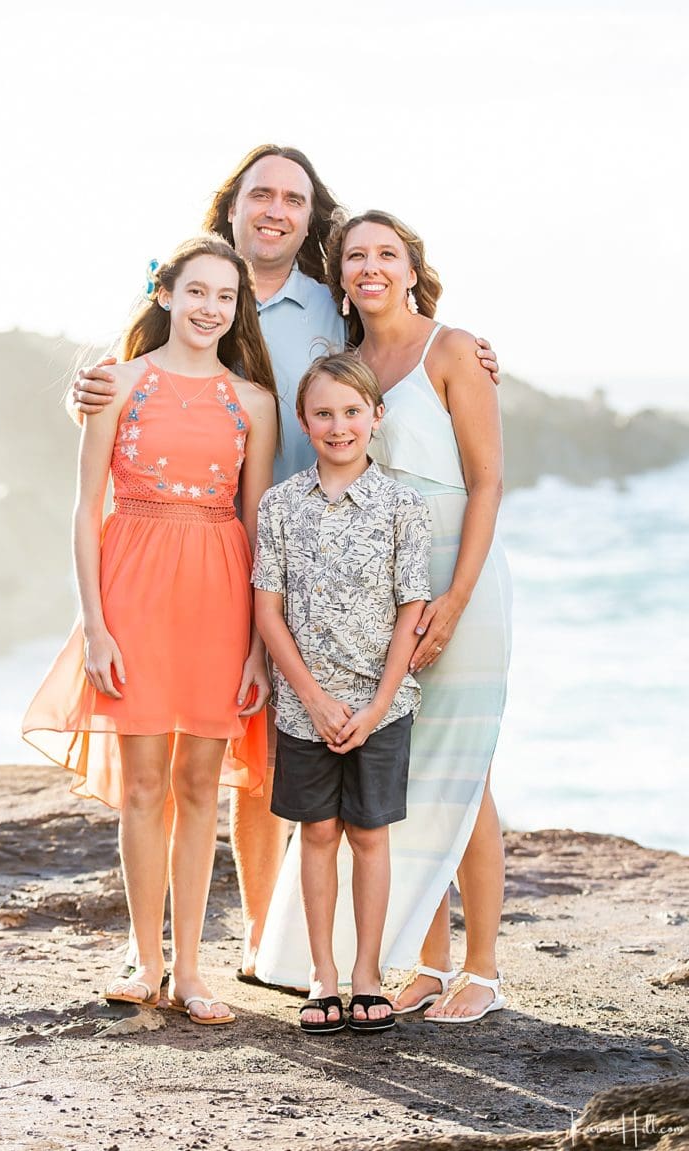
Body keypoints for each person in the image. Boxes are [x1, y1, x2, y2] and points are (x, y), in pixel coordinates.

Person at [70, 144, 500, 984]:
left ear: (312, 219)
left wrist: (476, 356)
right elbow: (132, 389)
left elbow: (397, 357)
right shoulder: (198, 287)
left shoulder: (332, 309)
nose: (275, 209)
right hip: (222, 551)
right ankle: (209, 946)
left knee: (355, 754)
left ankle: (368, 951)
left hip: (349, 551)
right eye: (259, 193)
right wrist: (90, 387)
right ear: (230, 207)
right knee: (236, 756)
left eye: (294, 199)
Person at [254, 211, 511, 1026]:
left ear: (410, 267)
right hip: (373, 590)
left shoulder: (454, 350)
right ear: (341, 276)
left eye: (386, 254)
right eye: (356, 255)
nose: (371, 266)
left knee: (466, 770)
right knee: (402, 771)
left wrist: (456, 599)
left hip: (457, 571)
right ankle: (425, 960)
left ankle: (483, 968)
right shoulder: (349, 367)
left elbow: (489, 482)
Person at [23, 235, 279, 1023]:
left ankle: (194, 970)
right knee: (141, 784)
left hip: (218, 594)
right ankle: (145, 954)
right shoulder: (117, 382)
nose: (210, 308)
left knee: (201, 784)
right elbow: (85, 510)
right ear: (165, 293)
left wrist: (259, 646)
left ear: (238, 310)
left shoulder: (254, 402)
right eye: (196, 291)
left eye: (225, 297)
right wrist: (95, 625)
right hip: (132, 592)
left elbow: (259, 524)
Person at [253, 353, 431, 1033]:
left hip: (382, 704)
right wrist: (317, 700)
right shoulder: (280, 506)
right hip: (306, 707)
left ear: (375, 418)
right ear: (304, 421)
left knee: (369, 833)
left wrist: (379, 703)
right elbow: (269, 613)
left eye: (352, 411)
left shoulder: (401, 506)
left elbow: (412, 610)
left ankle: (367, 974)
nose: (338, 425)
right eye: (324, 413)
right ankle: (322, 974)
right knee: (318, 832)